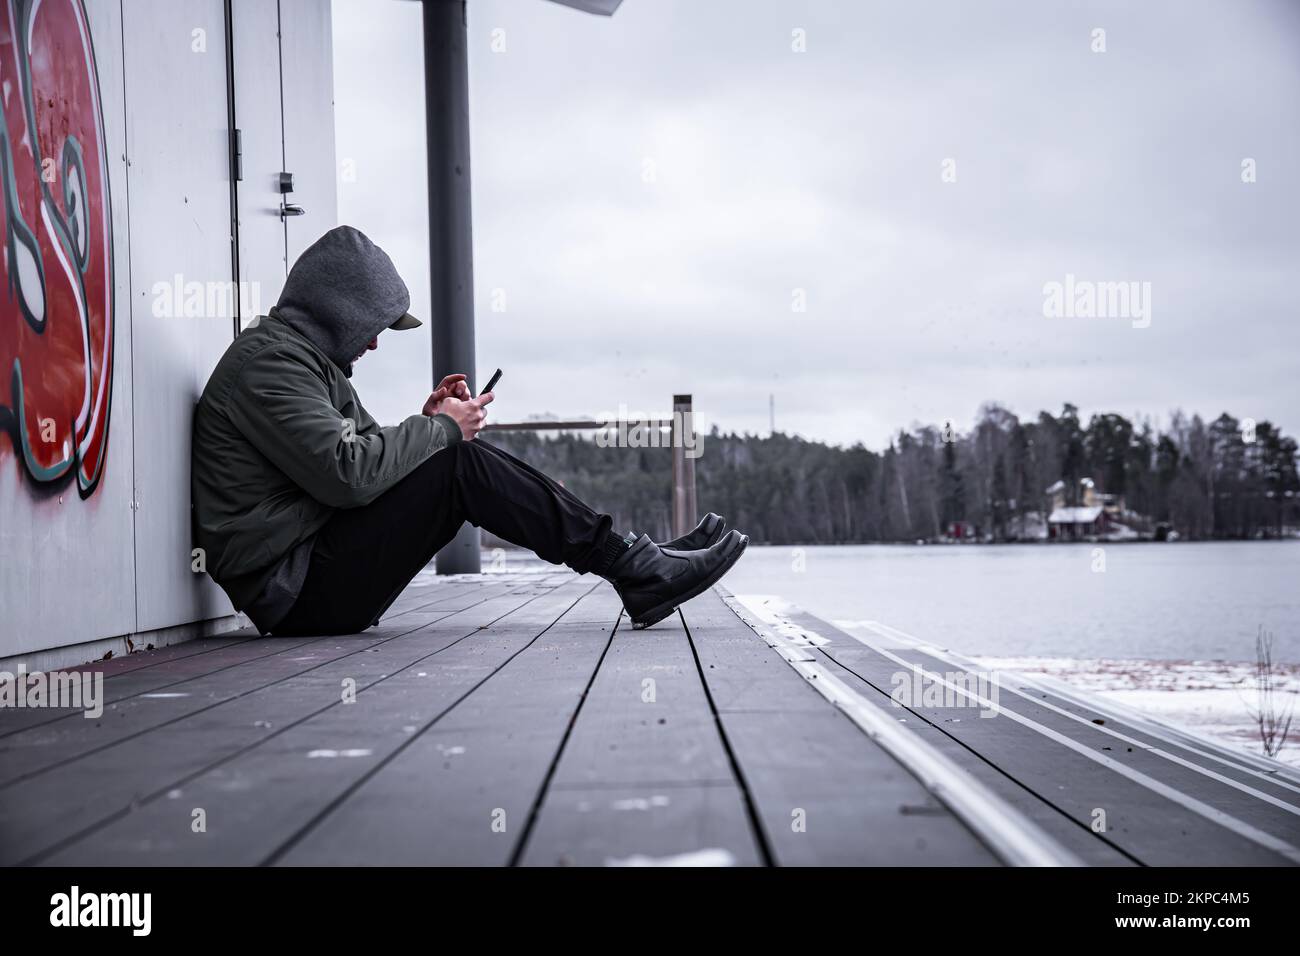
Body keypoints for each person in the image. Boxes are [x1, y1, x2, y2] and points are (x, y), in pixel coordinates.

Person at [191, 226, 746, 637]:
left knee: (450, 458)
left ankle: (632, 560)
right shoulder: (270, 368)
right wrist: (436, 433)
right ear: (338, 311)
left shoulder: (303, 363)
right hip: (298, 592)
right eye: (372, 327)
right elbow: (348, 476)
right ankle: (631, 566)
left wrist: (428, 420)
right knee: (457, 463)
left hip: (314, 571)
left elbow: (352, 460)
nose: (376, 343)